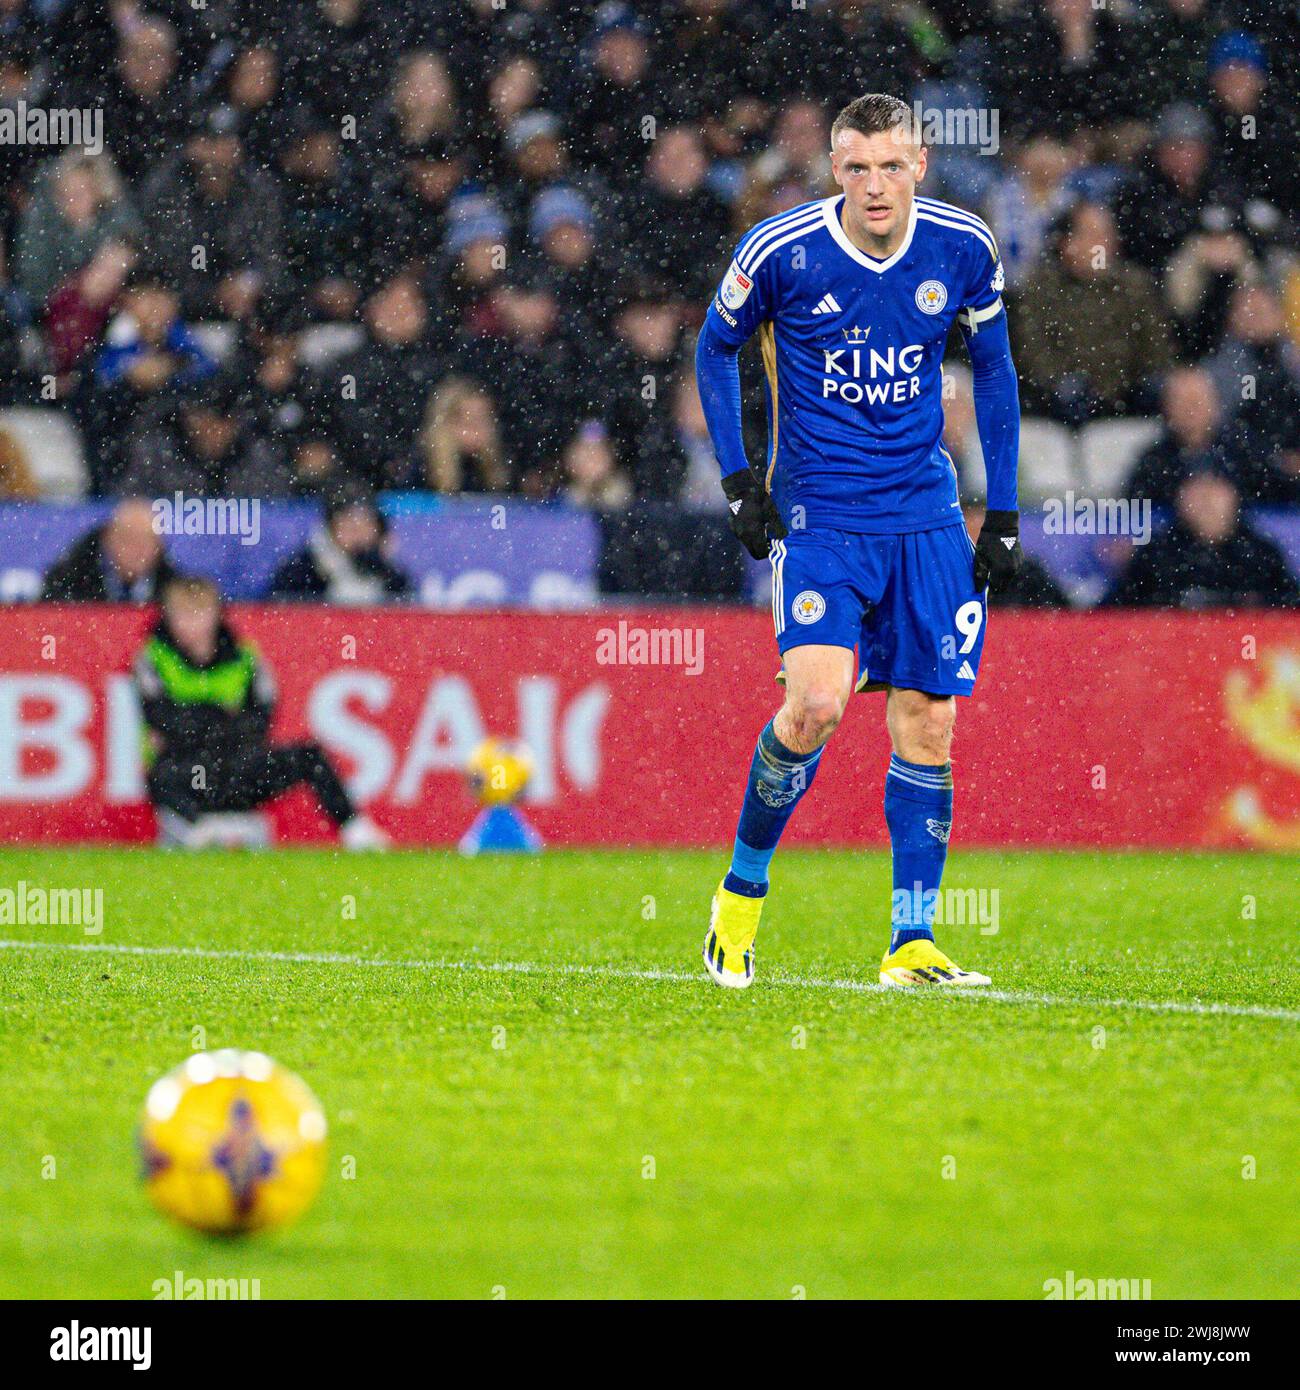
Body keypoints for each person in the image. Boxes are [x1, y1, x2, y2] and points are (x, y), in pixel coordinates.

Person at [695, 93, 1022, 991]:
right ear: (833, 170)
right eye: (856, 168)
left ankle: (911, 942)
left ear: (921, 164)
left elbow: (994, 369)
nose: (875, 186)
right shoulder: (781, 251)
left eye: (891, 166)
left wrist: (1005, 509)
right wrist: (737, 479)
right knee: (817, 704)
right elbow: (712, 348)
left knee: (930, 722)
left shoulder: (963, 246)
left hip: (924, 515)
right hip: (822, 518)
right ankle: (740, 897)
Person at [133, 575, 388, 849]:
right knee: (162, 774)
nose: (191, 624)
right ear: (168, 617)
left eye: (199, 614)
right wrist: (220, 715)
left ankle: (355, 828)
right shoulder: (153, 657)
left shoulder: (245, 657)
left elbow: (260, 719)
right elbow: (163, 719)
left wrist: (201, 721)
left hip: (235, 767)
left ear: (216, 614)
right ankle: (198, 828)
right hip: (187, 768)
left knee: (308, 755)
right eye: (182, 615)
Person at [1102, 470, 1299, 609]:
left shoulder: (1261, 553)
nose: (1207, 498)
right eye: (1196, 488)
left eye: (1216, 488)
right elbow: (1118, 611)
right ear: (1180, 498)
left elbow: (1288, 605)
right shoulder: (1156, 554)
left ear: (1234, 496)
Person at [266, 486, 411, 604]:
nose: (357, 533)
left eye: (365, 525)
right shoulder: (303, 572)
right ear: (330, 529)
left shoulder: (390, 575)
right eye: (348, 525)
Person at [41, 496, 177, 602]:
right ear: (108, 539)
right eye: (128, 539)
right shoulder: (69, 580)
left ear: (159, 546)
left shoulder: (172, 588)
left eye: (147, 540)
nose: (138, 549)